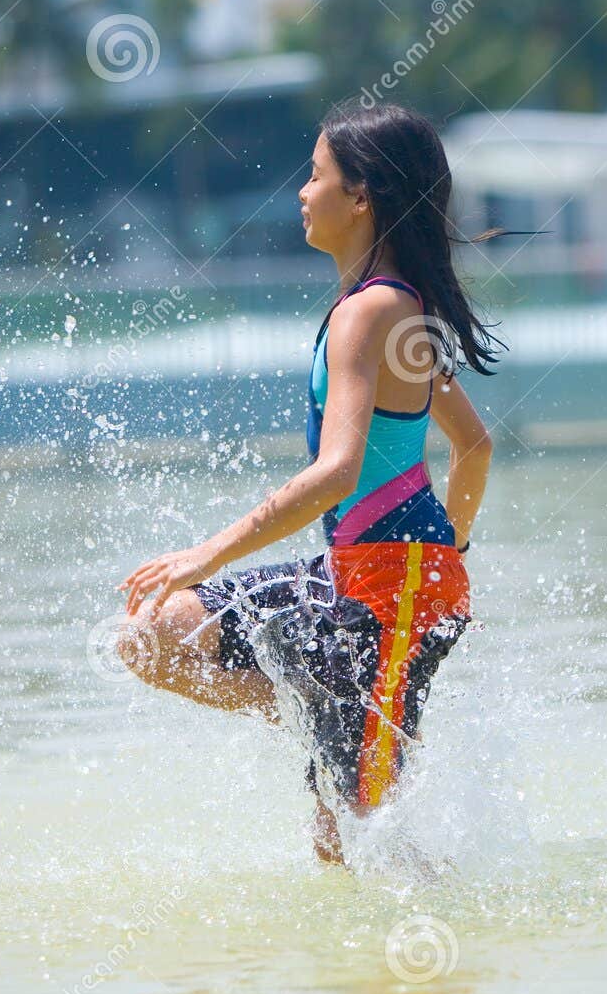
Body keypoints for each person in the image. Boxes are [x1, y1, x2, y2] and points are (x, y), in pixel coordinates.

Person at [117, 98, 515, 864]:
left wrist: (208, 554)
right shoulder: (387, 306)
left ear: (361, 196)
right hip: (366, 580)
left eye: (316, 174)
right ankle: (315, 707)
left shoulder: (371, 314)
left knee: (366, 839)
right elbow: (475, 448)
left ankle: (443, 969)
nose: (302, 192)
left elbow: (336, 471)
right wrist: (449, 555)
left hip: (389, 591)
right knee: (155, 635)